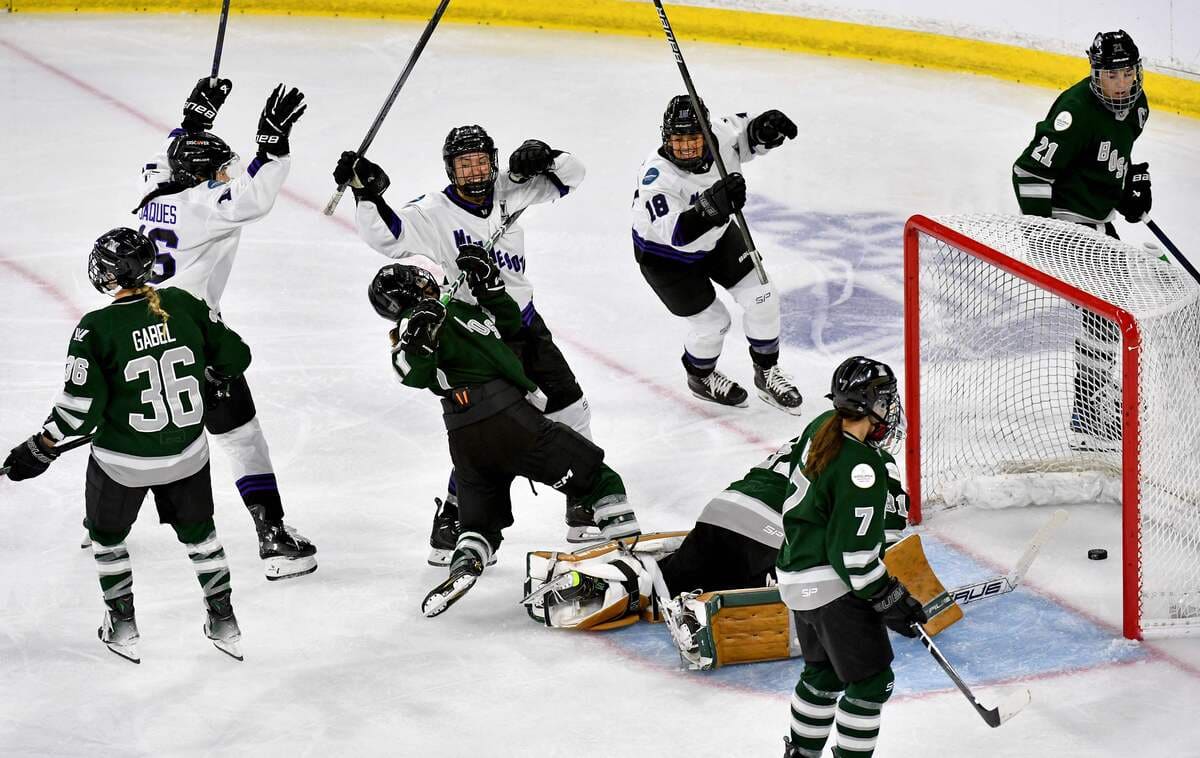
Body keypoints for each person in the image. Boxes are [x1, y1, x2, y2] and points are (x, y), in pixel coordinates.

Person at [334, 125, 600, 564]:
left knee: (571, 405)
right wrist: (367, 194)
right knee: (490, 432)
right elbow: (389, 237)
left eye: (480, 162)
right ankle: (456, 516)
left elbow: (574, 173)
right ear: (450, 169)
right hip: (476, 335)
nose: (474, 172)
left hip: (526, 323)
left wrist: (545, 156)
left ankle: (581, 497)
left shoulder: (510, 190)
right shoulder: (434, 211)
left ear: (493, 161)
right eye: (463, 164)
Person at [2, 228, 253, 663]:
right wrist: (212, 378)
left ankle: (122, 624)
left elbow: (81, 410)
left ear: (110, 274)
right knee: (202, 536)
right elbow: (235, 356)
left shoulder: (95, 328)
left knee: (107, 538)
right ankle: (224, 618)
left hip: (124, 464)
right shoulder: (182, 304)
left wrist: (40, 446)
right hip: (188, 456)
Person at [365, 248, 642, 618]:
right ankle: (630, 550)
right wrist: (416, 338)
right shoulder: (417, 322)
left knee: (480, 524)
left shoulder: (456, 308)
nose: (424, 278)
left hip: (467, 441)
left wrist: (490, 287)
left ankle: (465, 564)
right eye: (415, 279)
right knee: (599, 479)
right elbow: (408, 371)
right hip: (510, 422)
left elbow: (512, 329)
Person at [129, 77, 317, 579]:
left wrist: (192, 123)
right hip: (194, 340)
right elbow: (252, 197)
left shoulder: (152, 196)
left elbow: (167, 159)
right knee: (240, 435)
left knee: (126, 424)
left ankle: (100, 522)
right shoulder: (207, 206)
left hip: (134, 334)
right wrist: (272, 148)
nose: (227, 172)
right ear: (205, 177)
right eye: (220, 167)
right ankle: (272, 535)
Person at [776, 356, 926, 758]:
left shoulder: (819, 427)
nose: (891, 407)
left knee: (823, 675)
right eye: (887, 398)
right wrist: (892, 598)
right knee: (872, 683)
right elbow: (855, 559)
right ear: (869, 402)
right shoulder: (863, 467)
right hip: (831, 586)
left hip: (795, 578)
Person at [1011, 30, 1151, 450]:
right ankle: (1089, 414)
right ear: (1096, 74)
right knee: (1106, 313)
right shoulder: (1074, 113)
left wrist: (1130, 192)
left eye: (1127, 73)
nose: (1121, 84)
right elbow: (1029, 173)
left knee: (1114, 313)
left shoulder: (1139, 108)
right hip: (1064, 225)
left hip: (1097, 222)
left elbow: (1109, 161)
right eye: (1112, 75)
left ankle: (1092, 407)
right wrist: (1045, 232)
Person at [631, 95, 803, 414]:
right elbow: (678, 235)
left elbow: (750, 132)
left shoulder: (722, 136)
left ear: (707, 134)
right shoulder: (657, 178)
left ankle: (767, 372)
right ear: (665, 138)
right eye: (677, 140)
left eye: (693, 139)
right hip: (666, 258)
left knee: (764, 297)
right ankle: (701, 376)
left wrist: (767, 129)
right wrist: (713, 206)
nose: (684, 148)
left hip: (719, 237)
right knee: (713, 323)